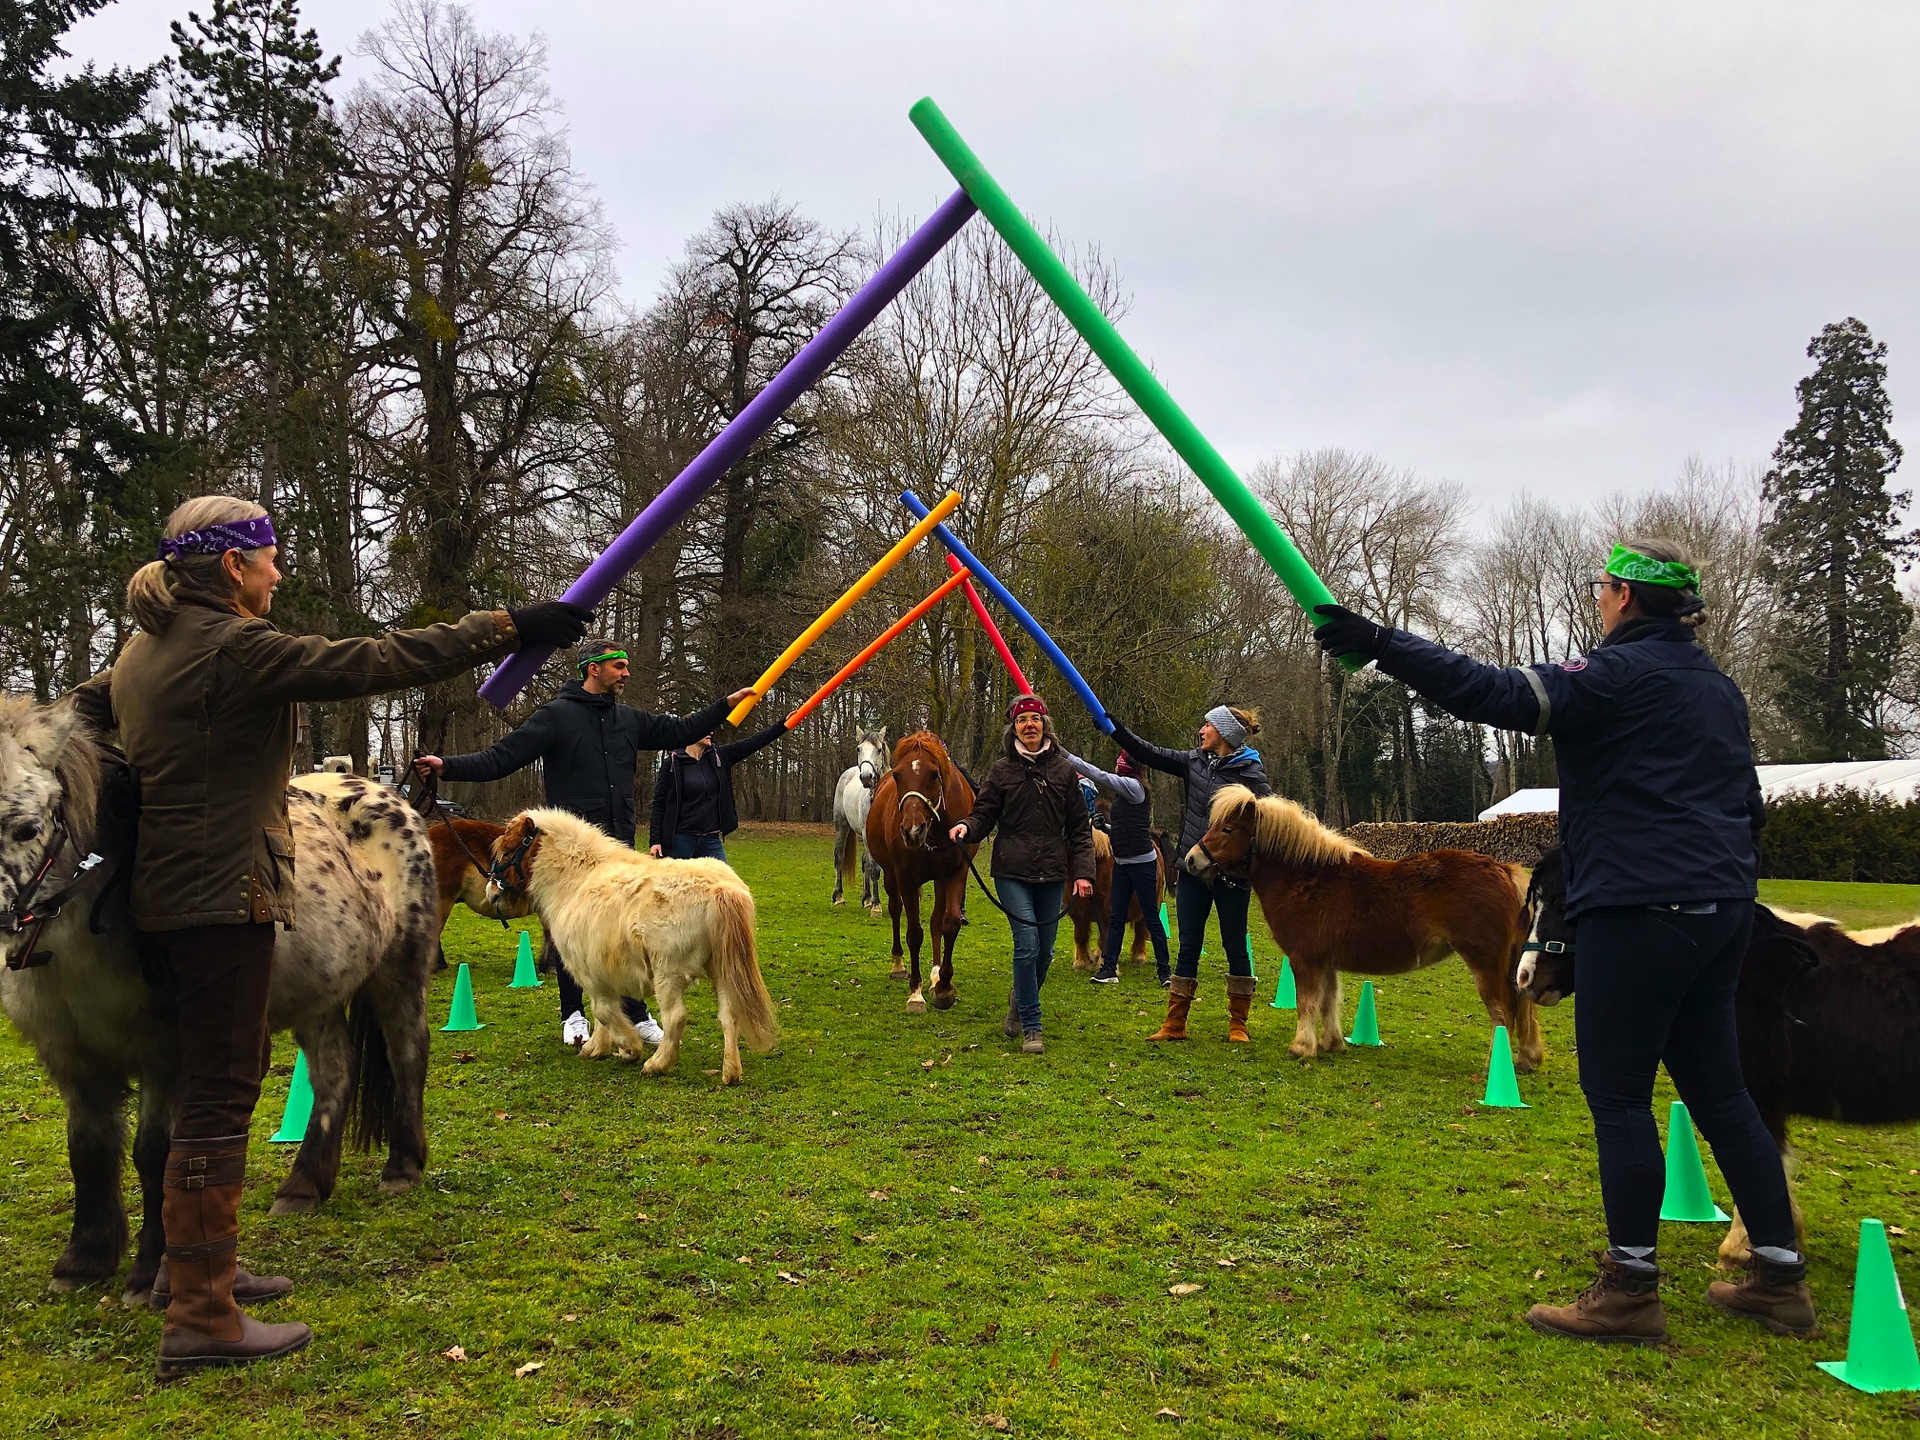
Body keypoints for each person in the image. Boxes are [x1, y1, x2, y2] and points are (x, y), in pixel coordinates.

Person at [69, 494, 591, 1374]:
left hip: (162, 894)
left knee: (202, 1086)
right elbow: (378, 660)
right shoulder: (233, 646)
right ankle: (199, 1315)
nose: (279, 570)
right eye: (269, 555)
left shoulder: (142, 649)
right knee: (221, 1097)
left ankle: (202, 1270)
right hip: (222, 897)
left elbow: (76, 716)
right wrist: (507, 626)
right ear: (233, 567)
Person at [1313, 537, 1810, 1346]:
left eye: (1603, 588)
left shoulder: (1615, 675)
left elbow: (1492, 692)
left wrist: (1383, 644)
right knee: (1721, 1094)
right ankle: (1781, 1279)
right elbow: (1748, 806)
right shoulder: (1717, 689)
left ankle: (1629, 1290)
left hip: (1640, 910)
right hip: (1724, 910)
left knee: (1618, 1098)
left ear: (1623, 596)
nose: (1598, 600)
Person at [415, 639, 752, 1048]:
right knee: (568, 935)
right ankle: (573, 1015)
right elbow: (502, 757)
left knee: (624, 935)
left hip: (618, 846)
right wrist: (446, 766)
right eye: (619, 666)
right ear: (594, 669)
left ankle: (636, 1015)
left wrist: (724, 705)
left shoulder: (629, 719)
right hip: (569, 855)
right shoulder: (555, 717)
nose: (627, 673)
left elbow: (681, 730)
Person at [1107, 705, 1271, 1041]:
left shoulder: (1251, 775)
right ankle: (1174, 1024)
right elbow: (1148, 753)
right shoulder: (1194, 762)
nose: (1201, 731)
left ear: (1223, 733)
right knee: (1188, 946)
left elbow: (1268, 823)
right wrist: (1114, 727)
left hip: (1231, 877)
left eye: (1207, 725)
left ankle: (1238, 1024)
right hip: (1192, 870)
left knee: (1235, 946)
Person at [946, 695, 1095, 1054]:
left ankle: (1019, 999)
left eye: (1035, 719)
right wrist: (967, 826)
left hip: (1052, 872)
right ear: (1013, 728)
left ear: (1045, 726)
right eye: (1022, 720)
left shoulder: (1062, 771)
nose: (1029, 725)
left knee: (1044, 954)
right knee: (1026, 944)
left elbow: (1079, 829)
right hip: (1011, 870)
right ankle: (1032, 1026)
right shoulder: (1001, 771)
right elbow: (984, 814)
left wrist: (1084, 873)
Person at [1066, 747, 1171, 986]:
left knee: (1151, 918)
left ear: (1127, 765)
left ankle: (1165, 972)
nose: (1116, 761)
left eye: (1120, 759)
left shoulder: (1133, 787)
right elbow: (1128, 831)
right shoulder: (1126, 794)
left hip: (1142, 864)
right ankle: (1109, 968)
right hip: (1123, 862)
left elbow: (1100, 776)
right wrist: (1106, 829)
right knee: (1114, 917)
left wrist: (1070, 758)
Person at [648, 720, 788, 861]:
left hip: (710, 840)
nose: (711, 732)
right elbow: (659, 804)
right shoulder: (672, 764)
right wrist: (655, 841)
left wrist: (783, 724)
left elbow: (754, 742)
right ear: (689, 731)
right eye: (704, 728)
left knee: (724, 883)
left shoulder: (720, 756)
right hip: (680, 840)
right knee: (677, 883)